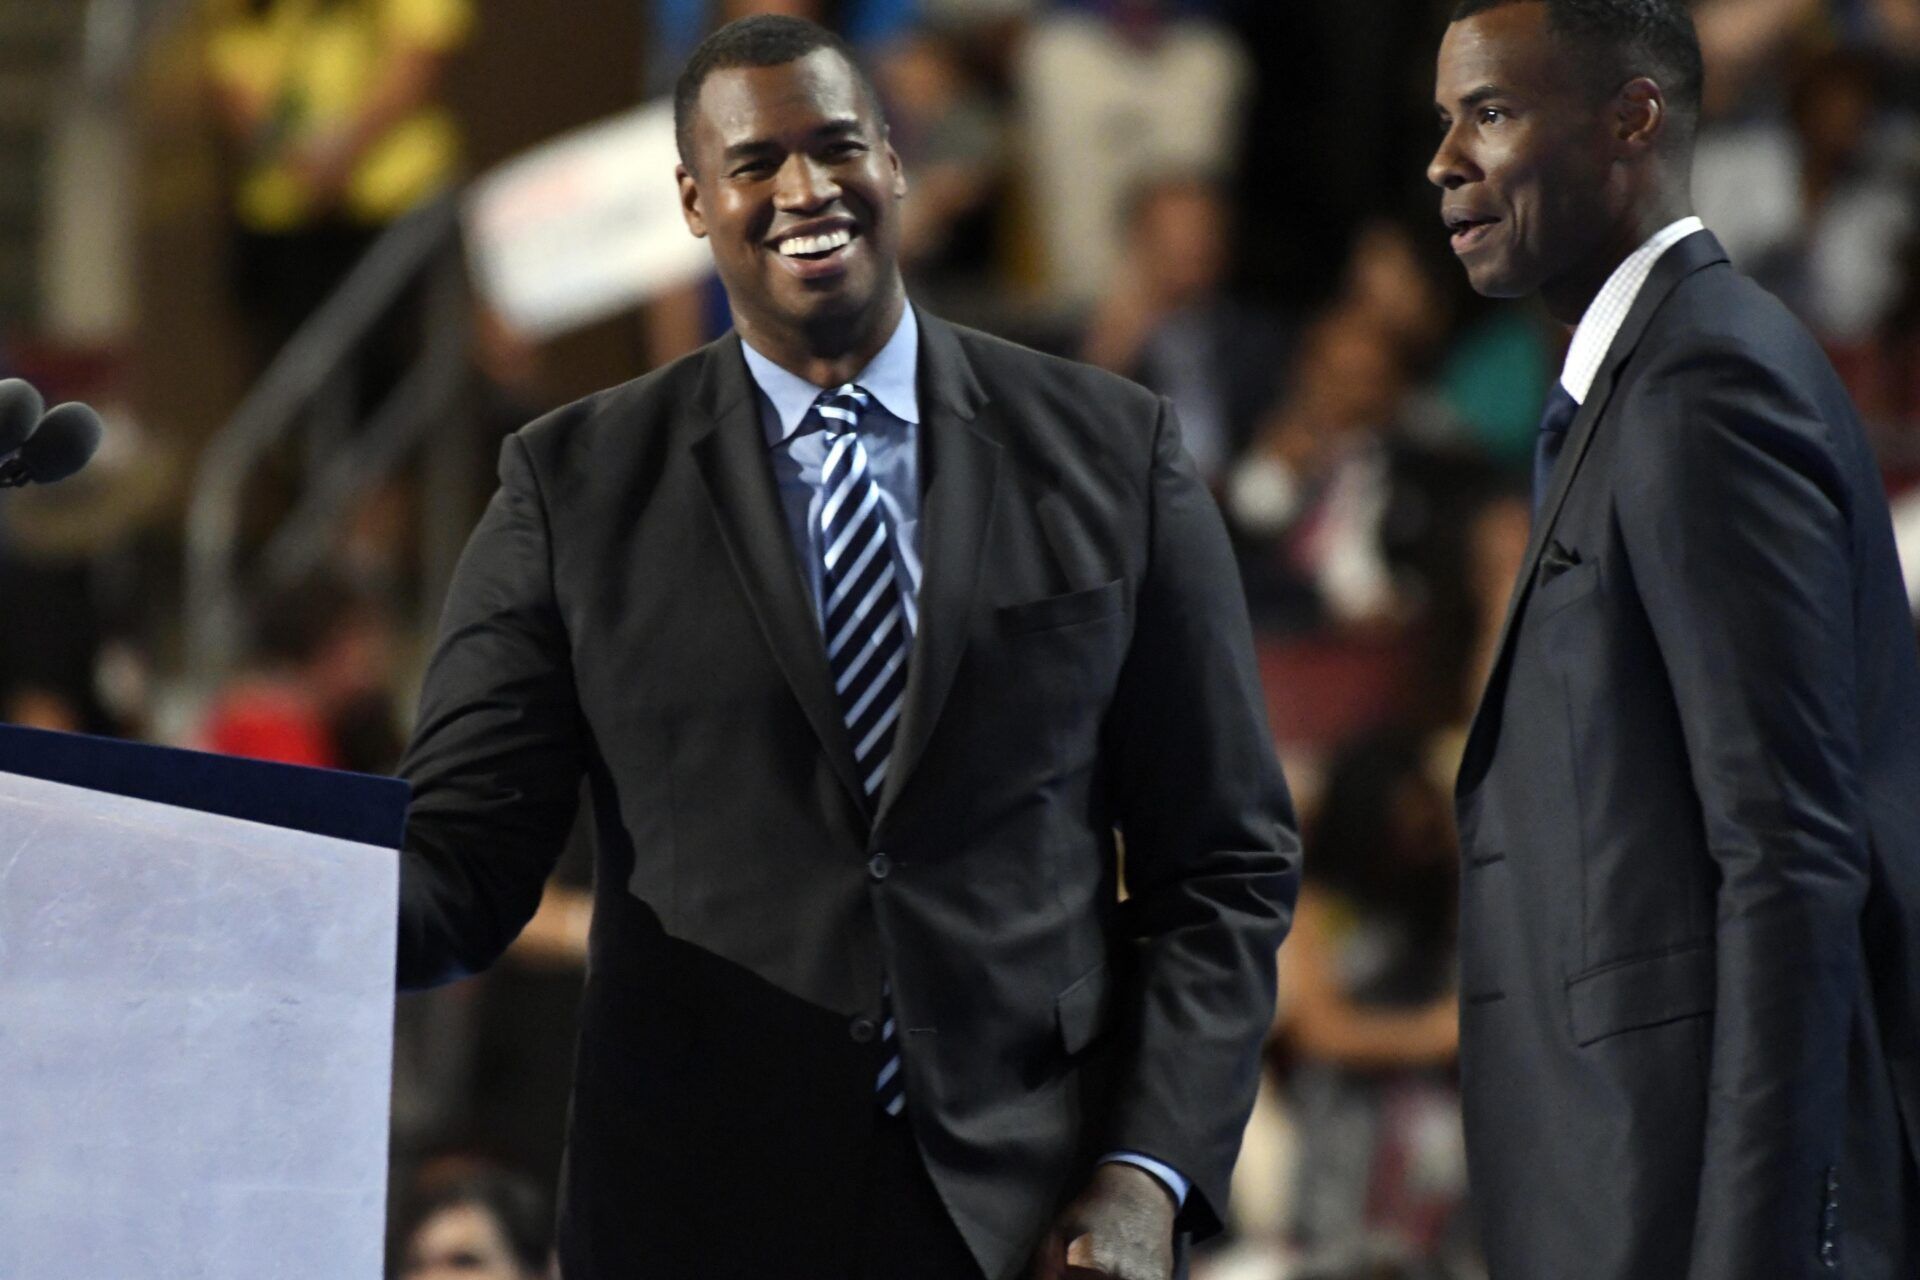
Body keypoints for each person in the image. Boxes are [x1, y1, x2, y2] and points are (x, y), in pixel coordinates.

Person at [394, 15, 1298, 1280]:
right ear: (693, 203)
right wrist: (235, 897)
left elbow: (1224, 863)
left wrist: (1148, 1168)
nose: (806, 190)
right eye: (757, 163)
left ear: (898, 160)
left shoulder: (1112, 450)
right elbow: (460, 865)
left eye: (838, 147)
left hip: (1029, 1222)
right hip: (692, 1218)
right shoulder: (569, 488)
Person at [1428, 2, 1920, 1277]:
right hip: (1625, 1192)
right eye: (1446, 122)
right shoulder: (1643, 380)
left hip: (1696, 1212)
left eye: (1490, 112)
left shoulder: (1708, 382)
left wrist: (1753, 1249)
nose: (1445, 161)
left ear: (1628, 118)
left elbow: (1793, 855)